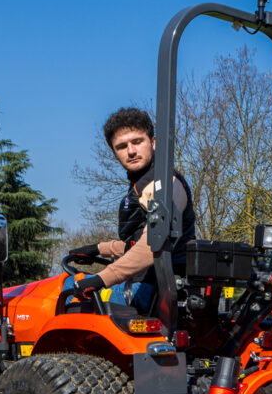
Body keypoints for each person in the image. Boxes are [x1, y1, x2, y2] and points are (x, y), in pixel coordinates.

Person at [71, 107, 196, 313]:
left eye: (137, 142)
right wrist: (99, 248)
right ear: (114, 153)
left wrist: (102, 278)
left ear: (153, 143)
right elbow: (139, 242)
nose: (131, 151)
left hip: (154, 290)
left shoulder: (166, 186)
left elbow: (152, 248)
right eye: (121, 146)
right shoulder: (142, 185)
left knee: (63, 291)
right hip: (148, 284)